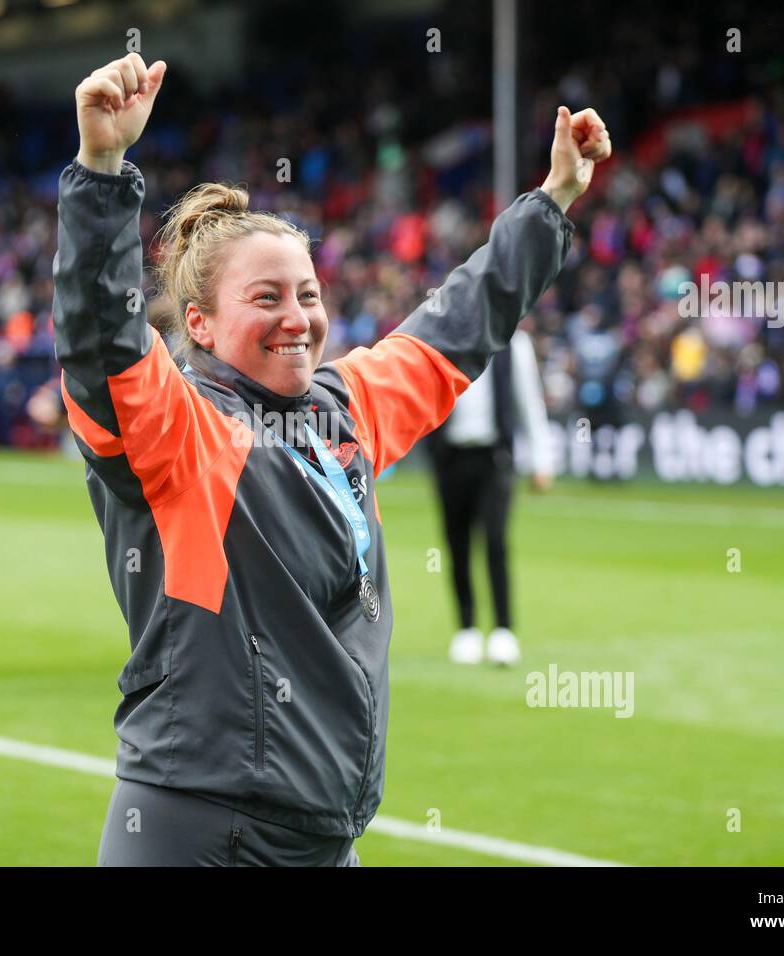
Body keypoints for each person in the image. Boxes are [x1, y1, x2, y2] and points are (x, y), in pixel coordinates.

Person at [54, 53, 610, 866]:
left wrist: (554, 199)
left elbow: (458, 322)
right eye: (267, 298)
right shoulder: (182, 428)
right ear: (199, 324)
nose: (298, 318)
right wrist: (102, 170)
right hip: (201, 831)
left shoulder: (342, 410)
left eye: (308, 294)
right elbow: (103, 346)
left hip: (326, 839)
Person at [425, 323, 554, 667]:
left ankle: (503, 630)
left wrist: (541, 459)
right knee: (457, 543)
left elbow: (529, 402)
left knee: (495, 541)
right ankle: (466, 628)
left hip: (494, 458)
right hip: (451, 457)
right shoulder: (444, 337)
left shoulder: (514, 344)